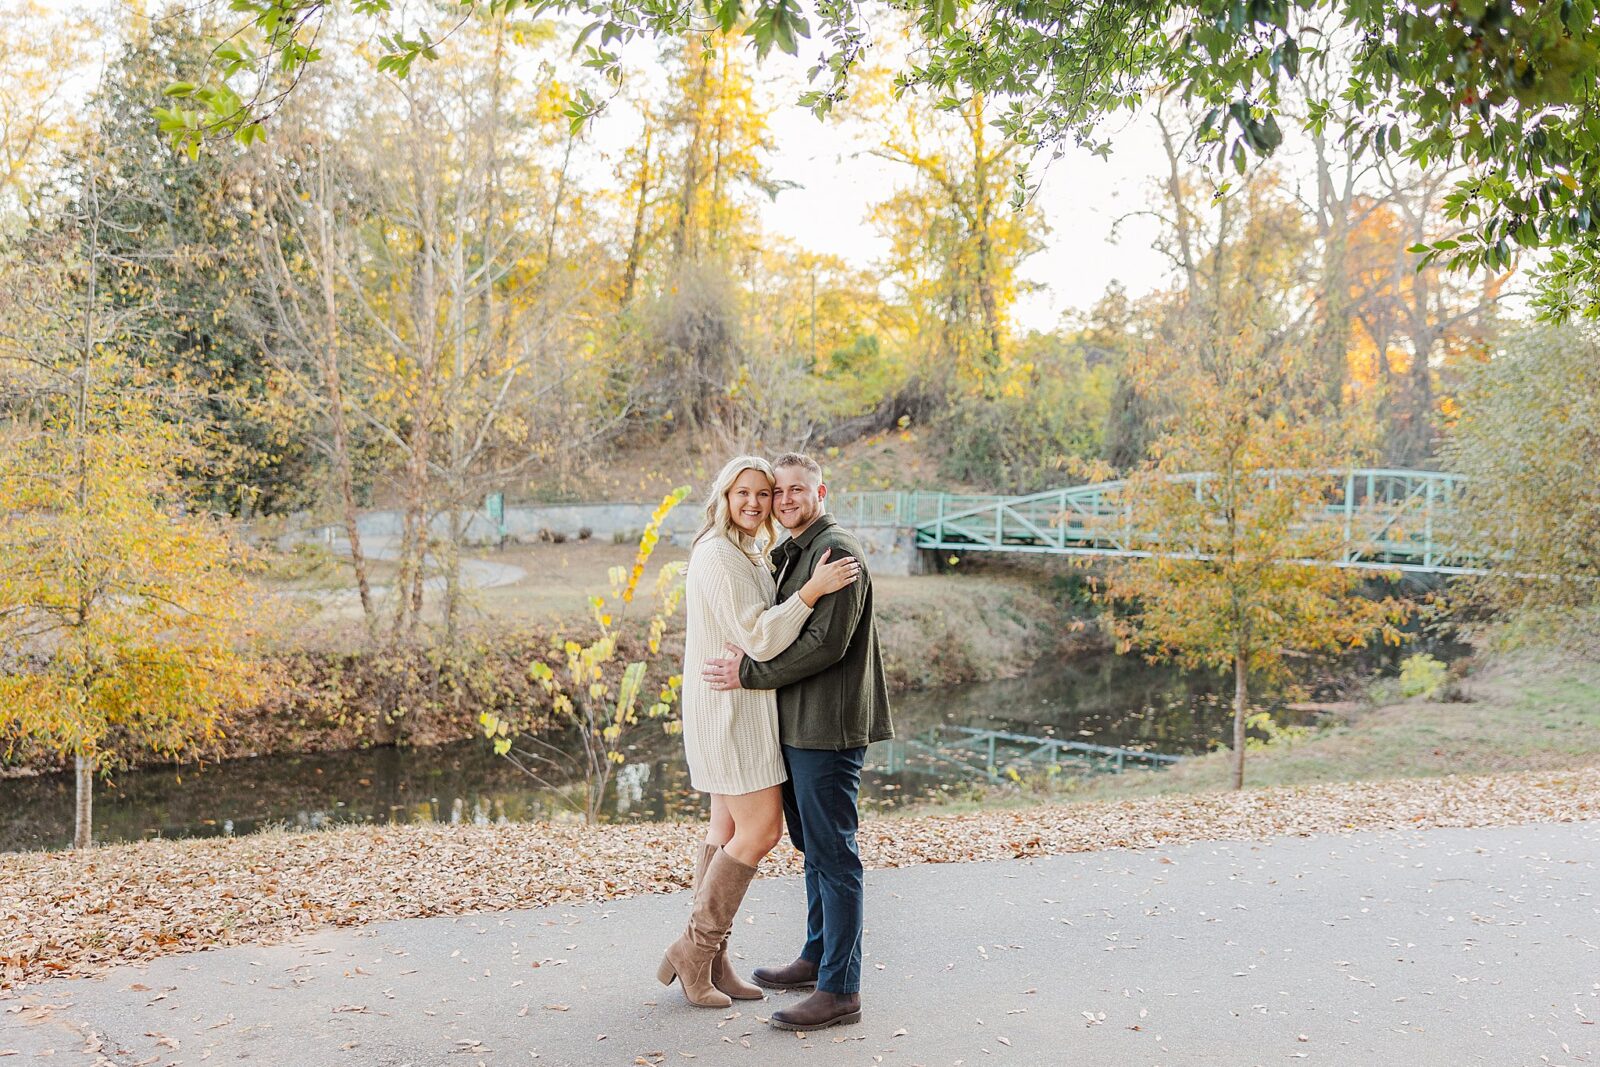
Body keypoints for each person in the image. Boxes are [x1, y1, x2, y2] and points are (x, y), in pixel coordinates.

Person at [658, 455, 861, 1010]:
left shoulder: (746, 550)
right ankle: (694, 950)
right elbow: (760, 638)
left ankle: (711, 959)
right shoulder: (720, 556)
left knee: (725, 828)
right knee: (762, 830)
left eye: (762, 493)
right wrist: (810, 592)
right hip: (732, 710)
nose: (755, 502)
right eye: (742, 492)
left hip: (737, 705)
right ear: (724, 497)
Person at [703, 451, 893, 1032]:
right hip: (799, 726)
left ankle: (840, 989)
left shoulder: (836, 552)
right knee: (815, 850)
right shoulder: (796, 552)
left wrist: (749, 675)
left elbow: (824, 646)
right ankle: (815, 957)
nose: (783, 500)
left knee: (835, 856)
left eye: (795, 490)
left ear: (820, 492)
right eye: (777, 490)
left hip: (828, 729)